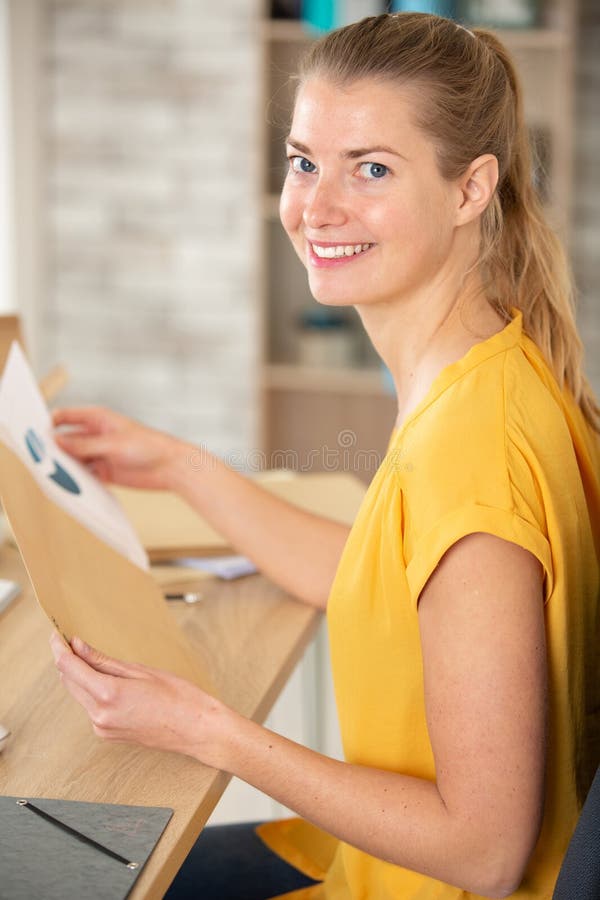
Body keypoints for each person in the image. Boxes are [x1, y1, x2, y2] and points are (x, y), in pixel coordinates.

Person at [50, 12, 599, 900]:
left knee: (58, 871)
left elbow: (484, 852)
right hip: (367, 864)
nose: (317, 208)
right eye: (304, 161)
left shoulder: (470, 461)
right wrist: (181, 466)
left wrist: (208, 731)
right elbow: (388, 581)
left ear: (470, 190)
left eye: (371, 169)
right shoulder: (489, 369)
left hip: (419, 883)